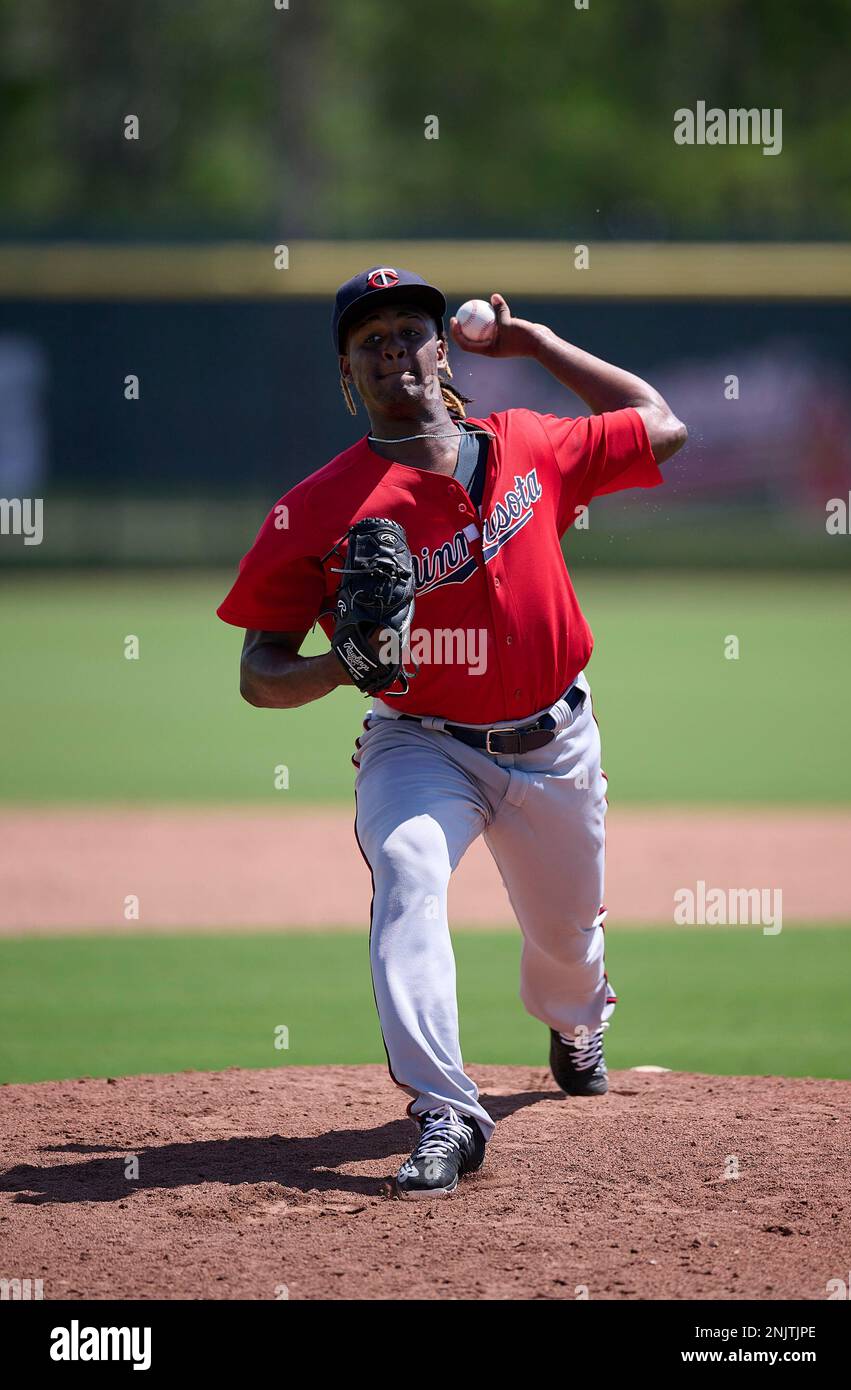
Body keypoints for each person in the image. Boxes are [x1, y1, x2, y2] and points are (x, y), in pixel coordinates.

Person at [217, 267, 687, 1199]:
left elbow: (663, 424)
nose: (395, 349)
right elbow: (258, 676)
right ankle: (444, 1112)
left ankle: (575, 1017)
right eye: (371, 341)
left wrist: (538, 347)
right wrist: (340, 669)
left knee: (565, 946)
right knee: (408, 872)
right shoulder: (316, 508)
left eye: (410, 331)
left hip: (555, 743)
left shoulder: (528, 442)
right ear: (349, 375)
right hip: (421, 743)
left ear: (443, 349)